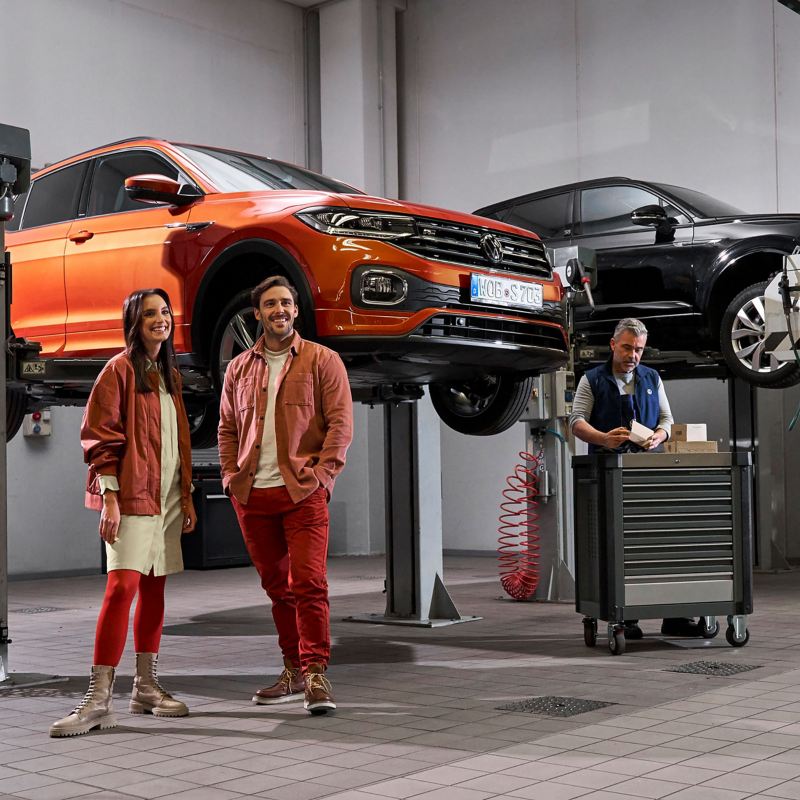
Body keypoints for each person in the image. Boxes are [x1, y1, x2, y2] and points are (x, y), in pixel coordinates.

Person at [50, 289, 197, 737]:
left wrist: (186, 495)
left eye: (165, 312)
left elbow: (177, 444)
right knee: (122, 588)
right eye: (150, 313)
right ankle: (97, 700)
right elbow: (99, 437)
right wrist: (110, 496)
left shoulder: (169, 375)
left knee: (154, 589)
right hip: (131, 497)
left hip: (167, 499)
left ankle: (146, 688)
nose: (161, 319)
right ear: (134, 323)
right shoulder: (118, 370)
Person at [218, 275, 353, 715]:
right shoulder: (238, 368)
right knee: (278, 589)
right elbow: (226, 429)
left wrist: (322, 477)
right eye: (270, 304)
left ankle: (316, 674)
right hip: (252, 497)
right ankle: (292, 670)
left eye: (287, 304)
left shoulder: (322, 360)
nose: (280, 310)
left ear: (296, 311)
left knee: (309, 584)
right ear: (257, 313)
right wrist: (229, 476)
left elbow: (340, 426)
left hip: (302, 495)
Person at [569, 317, 702, 638]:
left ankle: (673, 616)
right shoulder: (592, 379)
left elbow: (667, 419)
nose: (633, 355)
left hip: (646, 475)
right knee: (617, 547)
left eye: (639, 350)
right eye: (628, 347)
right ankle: (624, 617)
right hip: (606, 474)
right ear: (614, 345)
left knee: (657, 544)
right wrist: (603, 439)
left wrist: (659, 435)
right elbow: (575, 421)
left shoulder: (652, 378)